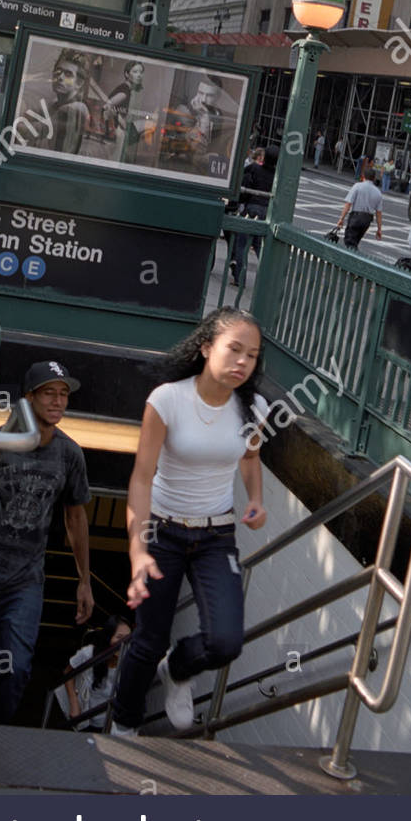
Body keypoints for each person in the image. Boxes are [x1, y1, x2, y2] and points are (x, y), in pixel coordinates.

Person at [110, 308, 269, 736]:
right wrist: (138, 550)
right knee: (147, 641)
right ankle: (123, 728)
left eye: (251, 356)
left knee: (225, 642)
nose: (242, 362)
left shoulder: (254, 407)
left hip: (216, 534)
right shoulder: (167, 400)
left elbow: (250, 457)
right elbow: (141, 479)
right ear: (205, 348)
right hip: (162, 529)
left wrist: (255, 497)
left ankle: (177, 671)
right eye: (233, 350)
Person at [0, 360, 93, 726]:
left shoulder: (69, 455)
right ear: (28, 399)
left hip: (21, 584)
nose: (59, 401)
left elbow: (75, 517)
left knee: (13, 673)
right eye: (49, 393)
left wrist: (84, 580)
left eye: (63, 395)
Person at [56, 613, 134, 730]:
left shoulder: (129, 658)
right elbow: (68, 673)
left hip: (109, 720)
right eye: (119, 637)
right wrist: (74, 703)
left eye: (127, 638)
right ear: (108, 637)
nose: (123, 643)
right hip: (86, 714)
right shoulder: (89, 654)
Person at [230, 145, 278, 285]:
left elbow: (241, 173)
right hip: (266, 211)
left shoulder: (255, 168)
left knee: (242, 244)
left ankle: (240, 278)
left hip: (252, 208)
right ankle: (267, 277)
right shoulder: (276, 174)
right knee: (259, 245)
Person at [333, 167, 383, 250]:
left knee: (349, 241)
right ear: (374, 179)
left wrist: (341, 219)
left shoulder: (357, 186)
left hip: (356, 217)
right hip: (367, 220)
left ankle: (353, 260)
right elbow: (378, 213)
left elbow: (348, 204)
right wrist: (379, 229)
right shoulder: (378, 192)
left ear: (363, 176)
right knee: (355, 241)